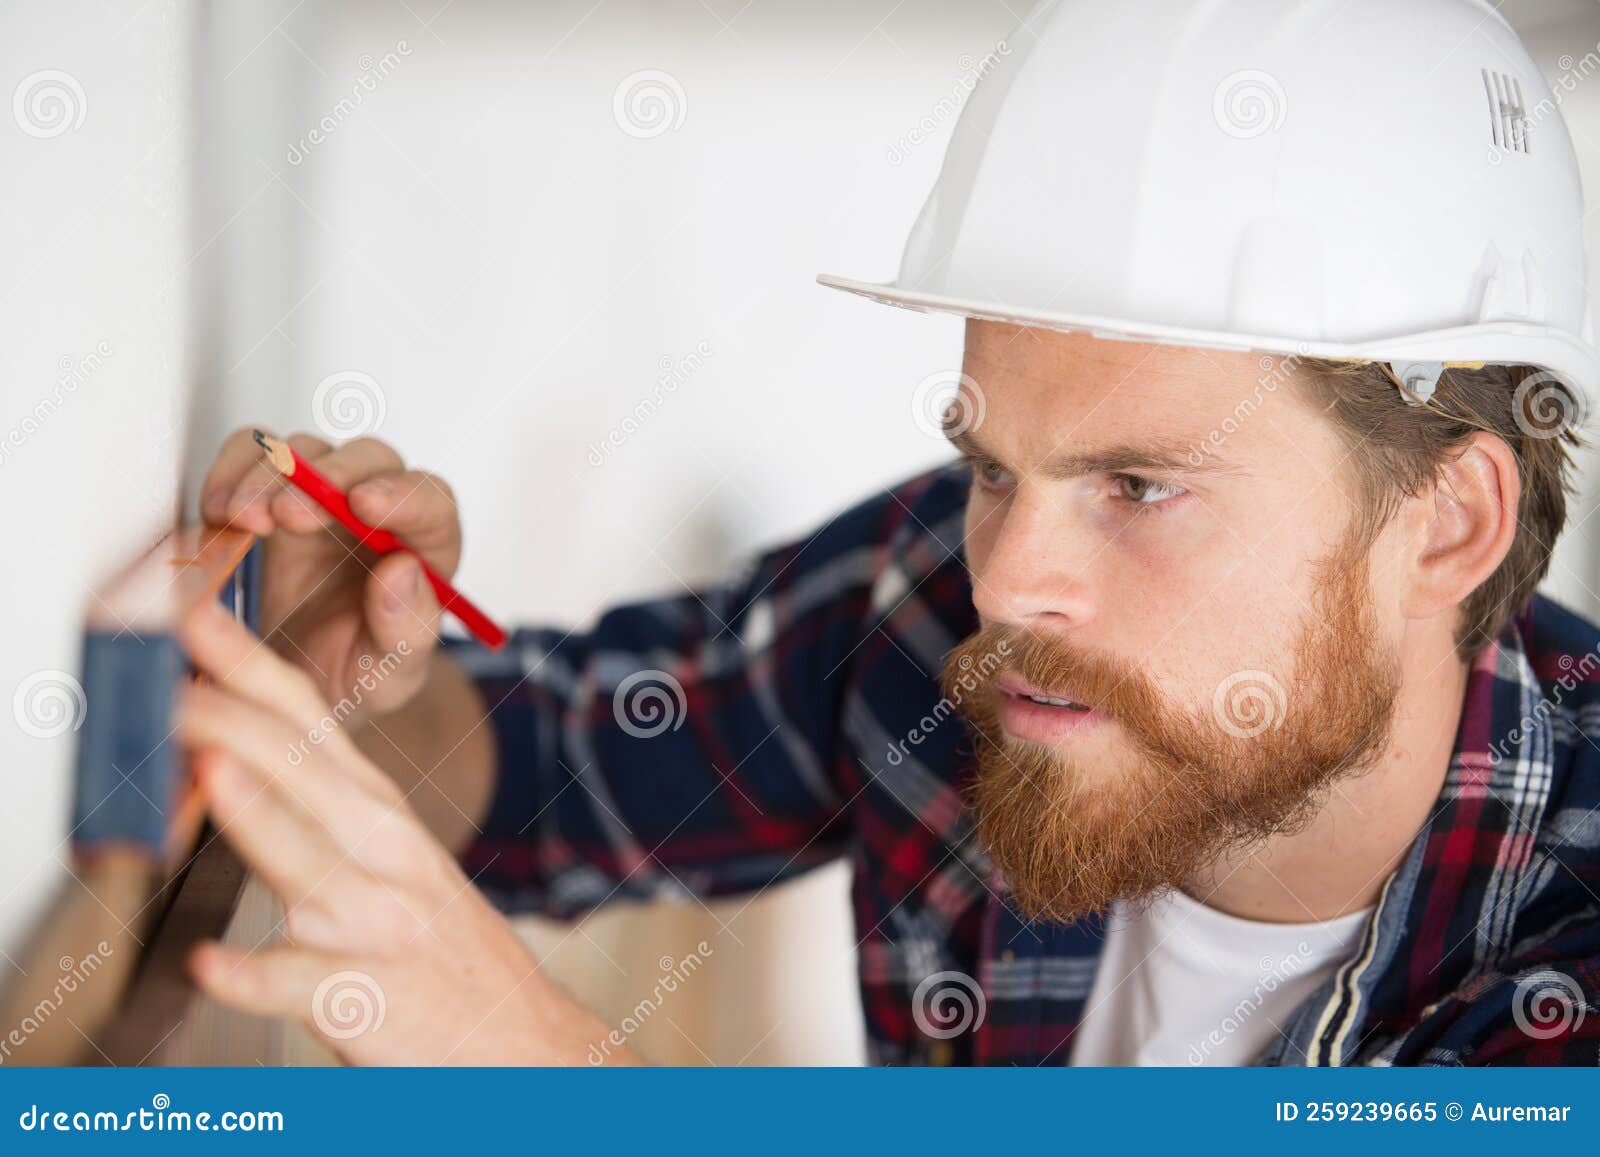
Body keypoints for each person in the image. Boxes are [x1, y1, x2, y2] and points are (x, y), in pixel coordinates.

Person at [175, 0, 1600, 1065]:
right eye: (991, 468)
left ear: (1443, 524)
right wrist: (350, 678)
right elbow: (540, 770)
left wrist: (547, 1075)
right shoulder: (931, 610)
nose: (1008, 579)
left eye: (1138, 489)